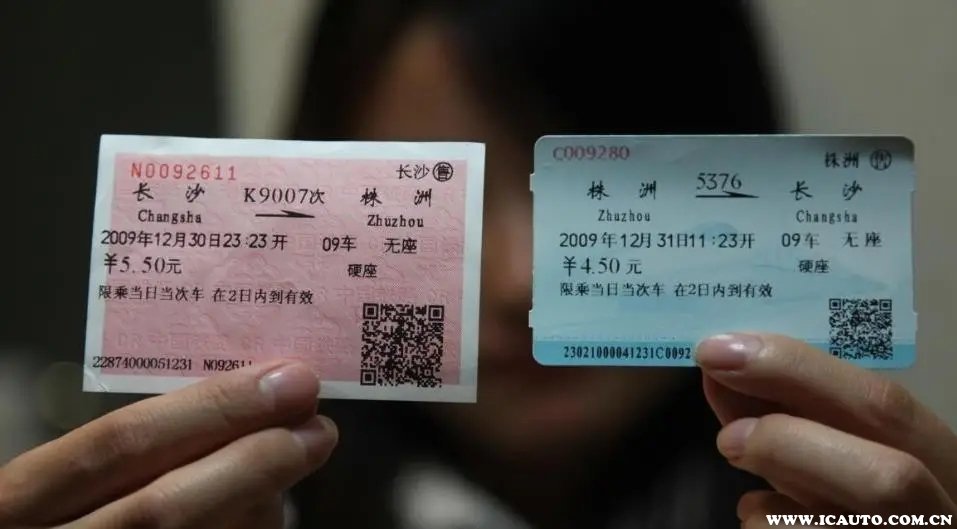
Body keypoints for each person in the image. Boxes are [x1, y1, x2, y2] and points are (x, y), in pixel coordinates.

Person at [2, 1, 955, 529]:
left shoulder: (858, 505)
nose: (516, 280)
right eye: (422, 203)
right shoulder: (235, 511)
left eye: (599, 194)